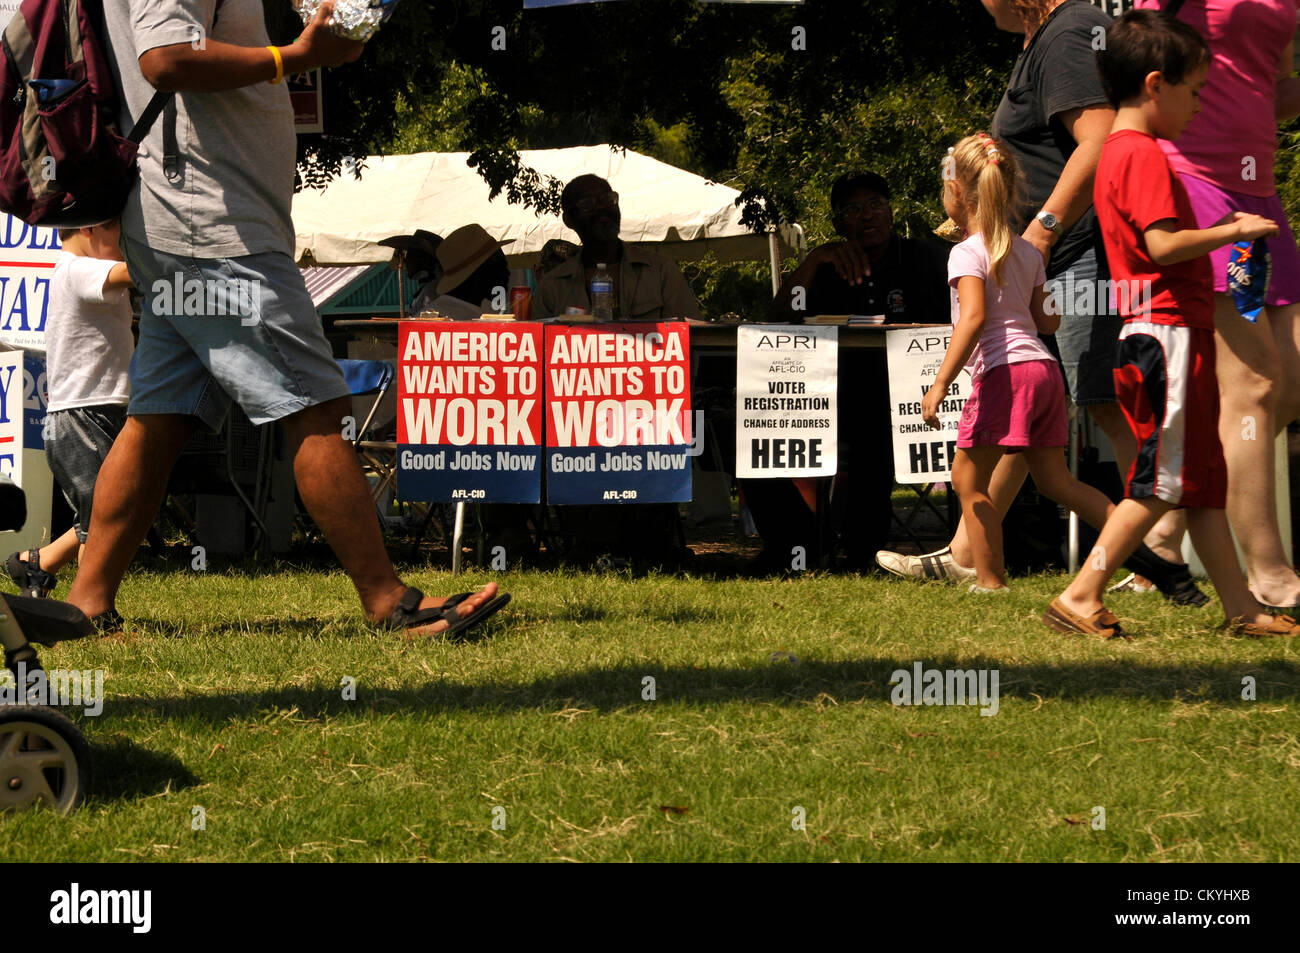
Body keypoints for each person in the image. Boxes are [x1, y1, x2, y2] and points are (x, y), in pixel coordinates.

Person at [68, 0, 508, 637]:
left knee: (156, 420)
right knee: (314, 407)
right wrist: (295, 58)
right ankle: (390, 602)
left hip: (189, 221)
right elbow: (164, 60)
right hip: (213, 228)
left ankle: (87, 602)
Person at [877, 0, 1206, 604]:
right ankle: (967, 554)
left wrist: (1045, 228)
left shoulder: (1069, 33)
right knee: (1045, 443)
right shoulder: (1047, 40)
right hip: (1050, 284)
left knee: (1108, 401)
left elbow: (1100, 138)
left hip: (1080, 250)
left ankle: (1152, 547)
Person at [1044, 10, 1297, 637]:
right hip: (1166, 334)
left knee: (1201, 483)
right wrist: (1232, 231)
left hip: (1173, 333)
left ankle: (1243, 610)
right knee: (1160, 485)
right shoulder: (1144, 157)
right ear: (1156, 85)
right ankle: (1083, 592)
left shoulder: (1127, 152)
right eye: (1196, 92)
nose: (1200, 106)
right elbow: (1161, 247)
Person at [927, 133, 1196, 592]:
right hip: (1044, 372)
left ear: (955, 192)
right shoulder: (1028, 251)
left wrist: (940, 383)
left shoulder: (965, 253)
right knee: (1059, 483)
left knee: (967, 480)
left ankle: (990, 582)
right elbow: (1047, 323)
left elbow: (971, 319)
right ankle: (1147, 555)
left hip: (1004, 375)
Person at [1131, 0, 1300, 615]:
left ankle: (1165, 527)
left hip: (1259, 192)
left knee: (1290, 381)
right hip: (1196, 185)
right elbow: (1138, 64)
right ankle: (1270, 574)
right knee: (1252, 385)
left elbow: (1274, 89)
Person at [747, 171, 949, 573]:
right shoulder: (827, 265)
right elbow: (778, 319)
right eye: (853, 209)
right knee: (754, 435)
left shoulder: (925, 257)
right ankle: (798, 546)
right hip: (834, 395)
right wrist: (814, 259)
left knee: (868, 438)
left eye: (875, 204)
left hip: (918, 398)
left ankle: (857, 550)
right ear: (838, 223)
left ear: (891, 213)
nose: (867, 216)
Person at [5, 221, 134, 599]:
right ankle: (92, 610)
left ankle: (35, 563)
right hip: (82, 417)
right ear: (92, 228)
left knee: (105, 514)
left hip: (97, 412)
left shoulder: (86, 269)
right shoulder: (78, 270)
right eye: (120, 231)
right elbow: (134, 272)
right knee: (103, 524)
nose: (126, 242)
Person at [535, 174, 701, 321]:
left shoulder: (660, 271)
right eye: (588, 204)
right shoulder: (552, 286)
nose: (602, 207)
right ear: (569, 220)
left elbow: (692, 338)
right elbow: (539, 349)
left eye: (609, 200)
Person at [419, 224, 512, 321]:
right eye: (500, 266)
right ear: (478, 271)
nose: (507, 274)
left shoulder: (448, 312)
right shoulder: (452, 320)